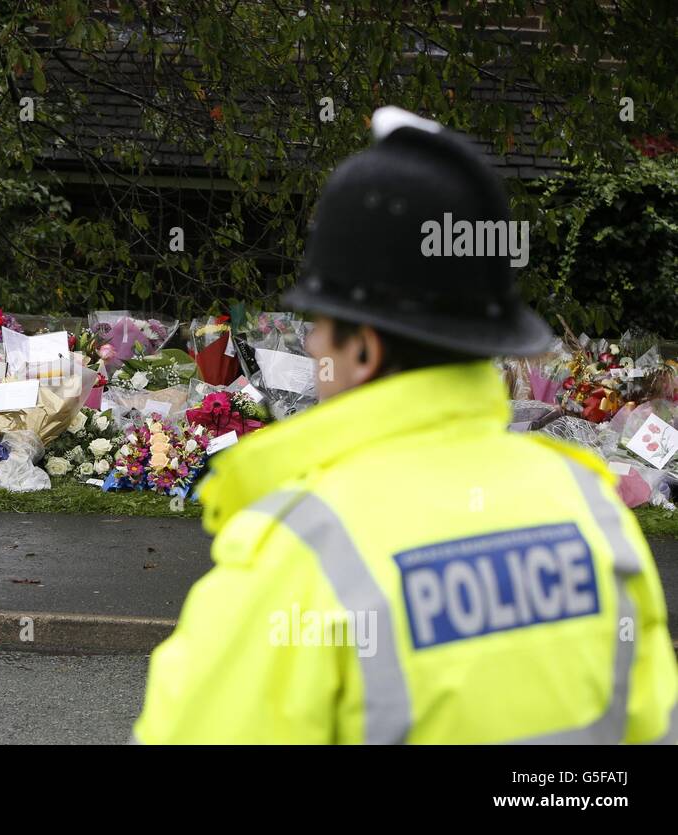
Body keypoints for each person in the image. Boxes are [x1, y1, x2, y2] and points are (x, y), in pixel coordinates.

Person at [133, 107, 678, 744]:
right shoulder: (592, 513)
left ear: (364, 348)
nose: (311, 346)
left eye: (319, 324)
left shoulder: (299, 556)